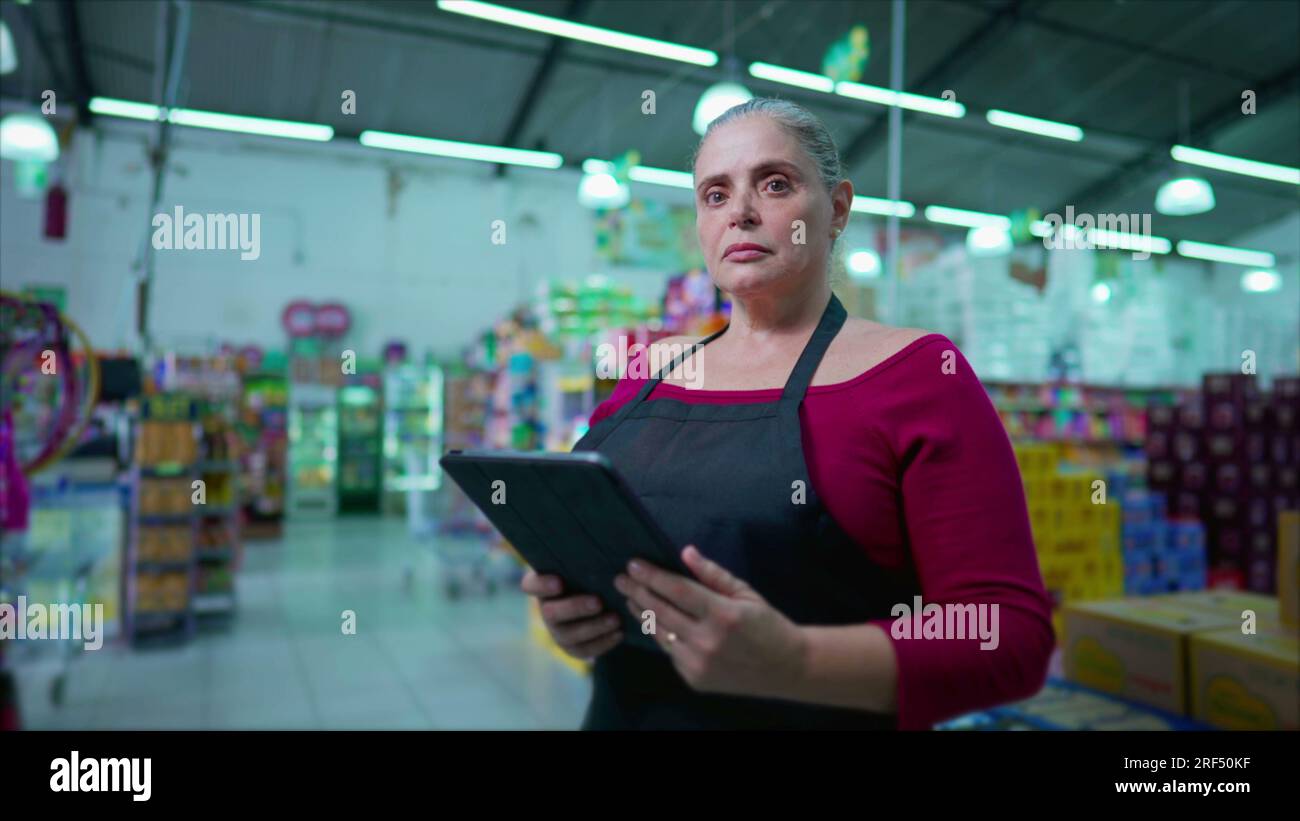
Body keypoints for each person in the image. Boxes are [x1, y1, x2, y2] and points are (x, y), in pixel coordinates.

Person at [520, 98, 1054, 730]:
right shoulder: (652, 369)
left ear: (838, 209)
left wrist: (797, 661)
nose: (741, 212)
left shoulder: (917, 375)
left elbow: (1007, 634)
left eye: (775, 184)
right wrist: (578, 615)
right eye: (714, 195)